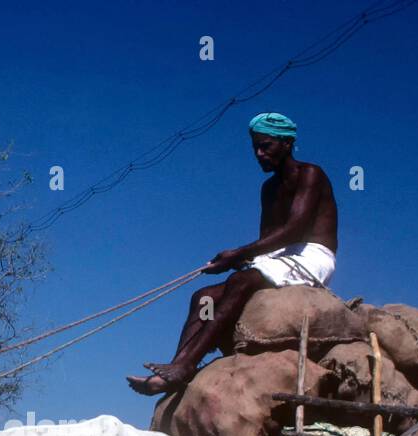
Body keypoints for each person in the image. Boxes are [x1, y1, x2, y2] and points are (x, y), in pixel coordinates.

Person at [128, 112, 339, 395]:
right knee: (203, 297)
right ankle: (176, 367)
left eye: (266, 146)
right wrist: (234, 261)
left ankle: (186, 365)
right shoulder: (269, 188)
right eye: (255, 148)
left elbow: (295, 229)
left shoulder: (310, 174)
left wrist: (237, 255)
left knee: (242, 281)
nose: (259, 153)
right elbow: (269, 239)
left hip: (310, 254)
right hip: (279, 255)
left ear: (287, 144)